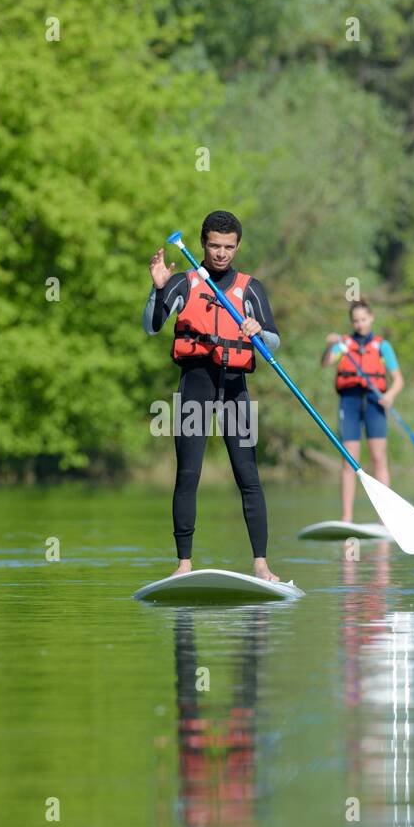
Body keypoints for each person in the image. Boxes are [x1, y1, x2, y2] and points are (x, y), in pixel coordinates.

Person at [144, 210, 282, 582]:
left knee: (248, 475)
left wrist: (257, 331)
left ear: (237, 246)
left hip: (234, 386)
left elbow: (274, 342)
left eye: (229, 247)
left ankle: (261, 565)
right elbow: (153, 326)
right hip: (196, 384)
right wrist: (158, 289)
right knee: (188, 474)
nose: (222, 253)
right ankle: (183, 565)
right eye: (215, 246)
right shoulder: (183, 282)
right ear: (203, 243)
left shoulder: (251, 287)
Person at [321, 301, 403, 523]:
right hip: (350, 402)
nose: (359, 324)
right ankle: (347, 518)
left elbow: (398, 380)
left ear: (372, 318)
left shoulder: (382, 346)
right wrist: (330, 345)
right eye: (355, 320)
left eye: (363, 319)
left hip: (375, 403)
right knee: (349, 462)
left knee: (379, 459)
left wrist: (390, 396)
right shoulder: (344, 344)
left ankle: (385, 519)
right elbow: (326, 363)